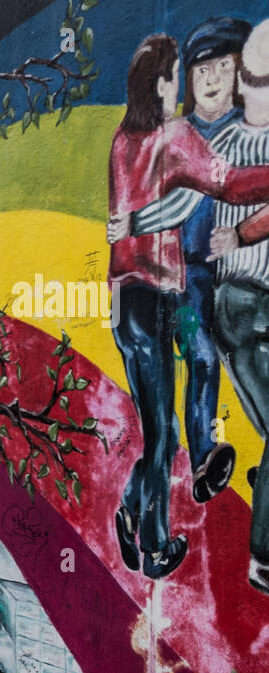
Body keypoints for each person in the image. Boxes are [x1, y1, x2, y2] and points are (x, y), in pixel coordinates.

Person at [106, 33, 269, 579]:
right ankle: (152, 545)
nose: (182, 87)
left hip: (137, 302)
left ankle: (139, 507)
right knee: (161, 430)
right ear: (162, 83)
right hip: (158, 298)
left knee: (177, 403)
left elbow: (130, 220)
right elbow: (230, 184)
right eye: (177, 77)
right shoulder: (174, 137)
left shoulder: (120, 142)